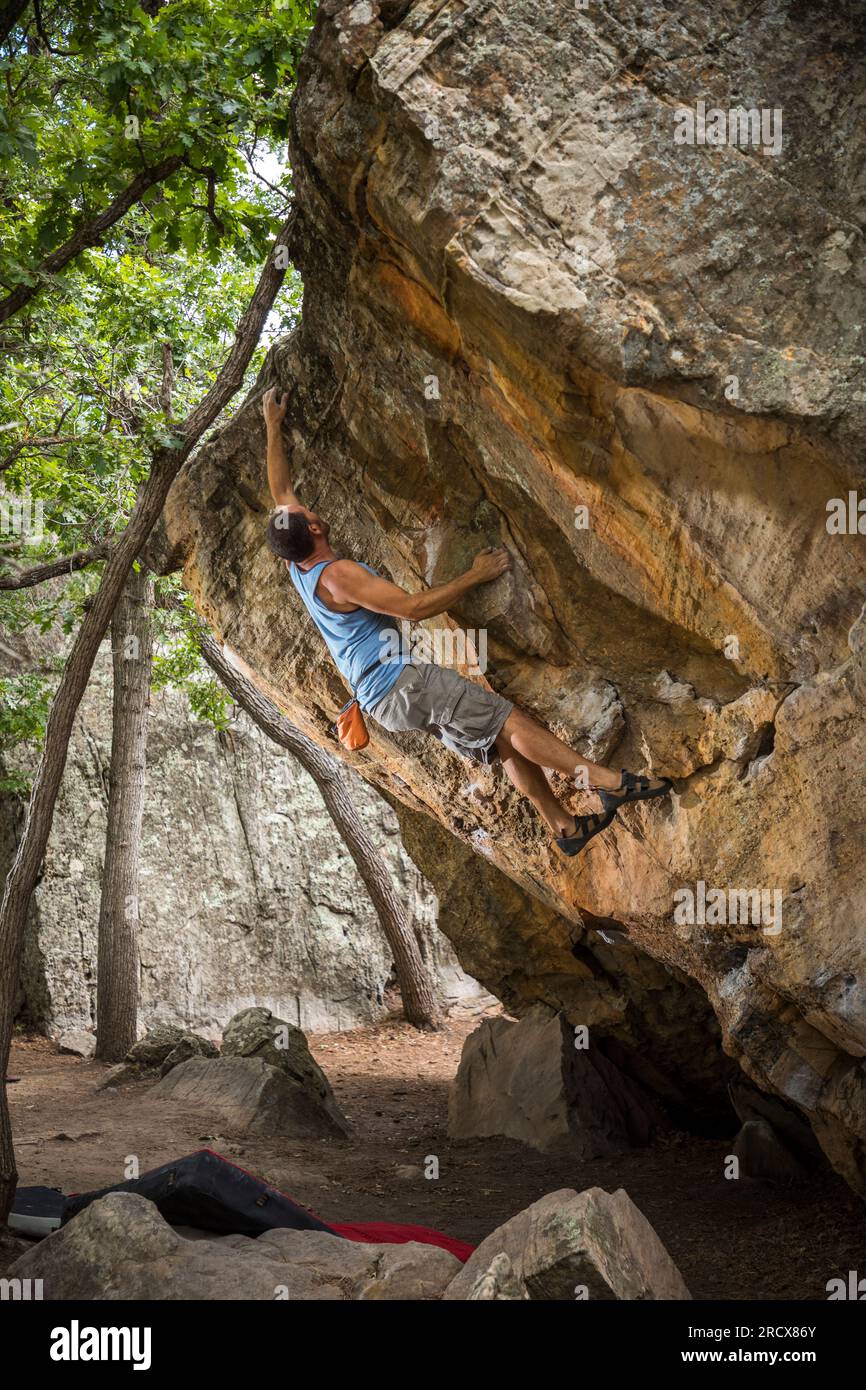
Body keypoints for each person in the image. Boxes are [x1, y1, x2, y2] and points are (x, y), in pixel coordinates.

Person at [262, 386, 671, 856]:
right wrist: (474, 576)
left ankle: (564, 827)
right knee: (509, 721)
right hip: (401, 682)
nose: (299, 505)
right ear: (313, 528)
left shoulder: (297, 561)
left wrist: (273, 426)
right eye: (304, 513)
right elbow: (413, 608)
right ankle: (603, 780)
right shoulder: (339, 576)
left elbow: (281, 490)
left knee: (501, 741)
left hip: (385, 698)